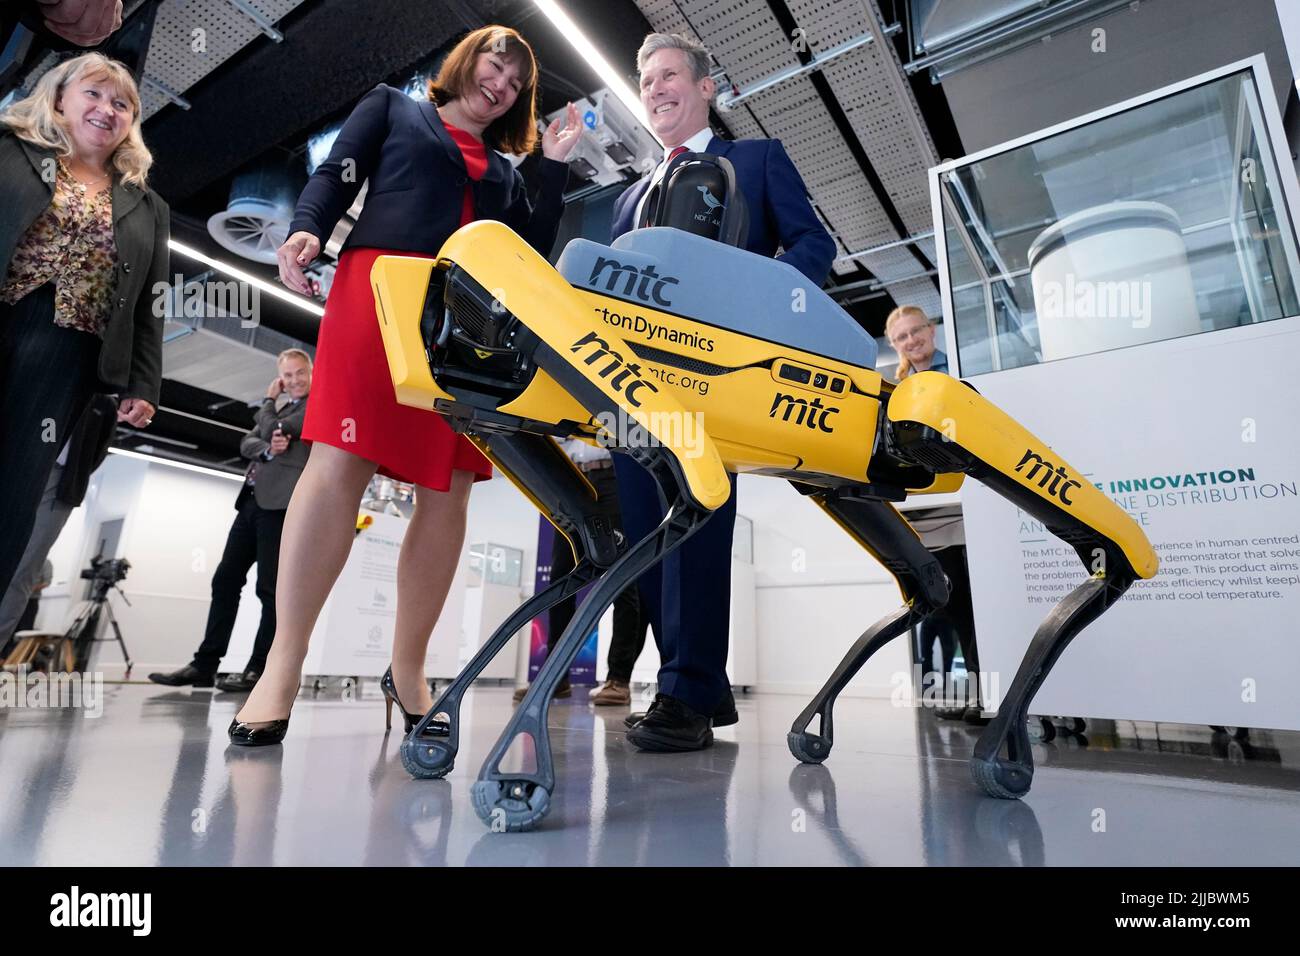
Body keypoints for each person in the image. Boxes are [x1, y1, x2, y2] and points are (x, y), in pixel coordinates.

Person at [228, 26, 582, 745]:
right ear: (466, 60)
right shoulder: (393, 108)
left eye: (518, 81)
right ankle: (282, 666)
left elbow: (528, 251)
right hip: (376, 291)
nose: (504, 82)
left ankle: (409, 668)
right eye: (497, 62)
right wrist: (307, 229)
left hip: (460, 324)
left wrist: (549, 167)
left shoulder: (510, 174)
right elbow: (337, 175)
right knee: (336, 466)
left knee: (447, 486)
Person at [613, 33, 836, 752]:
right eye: (645, 81)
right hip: (627, 386)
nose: (655, 89)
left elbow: (812, 248)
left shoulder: (757, 159)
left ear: (708, 87)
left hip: (712, 376)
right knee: (647, 537)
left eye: (669, 75)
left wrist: (758, 310)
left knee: (696, 526)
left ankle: (686, 687)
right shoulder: (629, 198)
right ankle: (697, 682)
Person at [0, 52, 168, 597]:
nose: (107, 109)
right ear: (59, 98)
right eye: (93, 94)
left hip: (66, 359)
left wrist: (144, 383)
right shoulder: (10, 151)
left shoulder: (146, 205)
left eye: (121, 103)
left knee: (14, 497)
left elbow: (150, 301)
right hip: (6, 315)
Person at [149, 350, 313, 694]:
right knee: (225, 581)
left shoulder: (313, 406)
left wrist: (269, 402)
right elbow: (247, 440)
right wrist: (267, 447)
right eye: (287, 376)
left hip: (281, 507)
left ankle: (258, 670)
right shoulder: (282, 410)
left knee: (268, 589)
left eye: (299, 373)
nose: (294, 380)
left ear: (311, 372)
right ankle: (204, 665)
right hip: (251, 503)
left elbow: (275, 427)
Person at [884, 305, 985, 724]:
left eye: (916, 331)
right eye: (902, 337)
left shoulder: (958, 369)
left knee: (981, 607)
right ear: (895, 345)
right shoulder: (897, 386)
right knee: (953, 605)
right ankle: (979, 695)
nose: (911, 341)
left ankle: (986, 697)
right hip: (930, 508)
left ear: (932, 330)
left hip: (972, 501)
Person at [513, 438, 648, 707]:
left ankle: (618, 679)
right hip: (569, 480)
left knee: (622, 578)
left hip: (615, 475)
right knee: (561, 580)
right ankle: (555, 677)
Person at [0, 392, 117, 654]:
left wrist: (74, 473)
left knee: (23, 571)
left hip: (62, 483)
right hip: (23, 468)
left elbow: (97, 452)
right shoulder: (49, 378)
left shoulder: (103, 405)